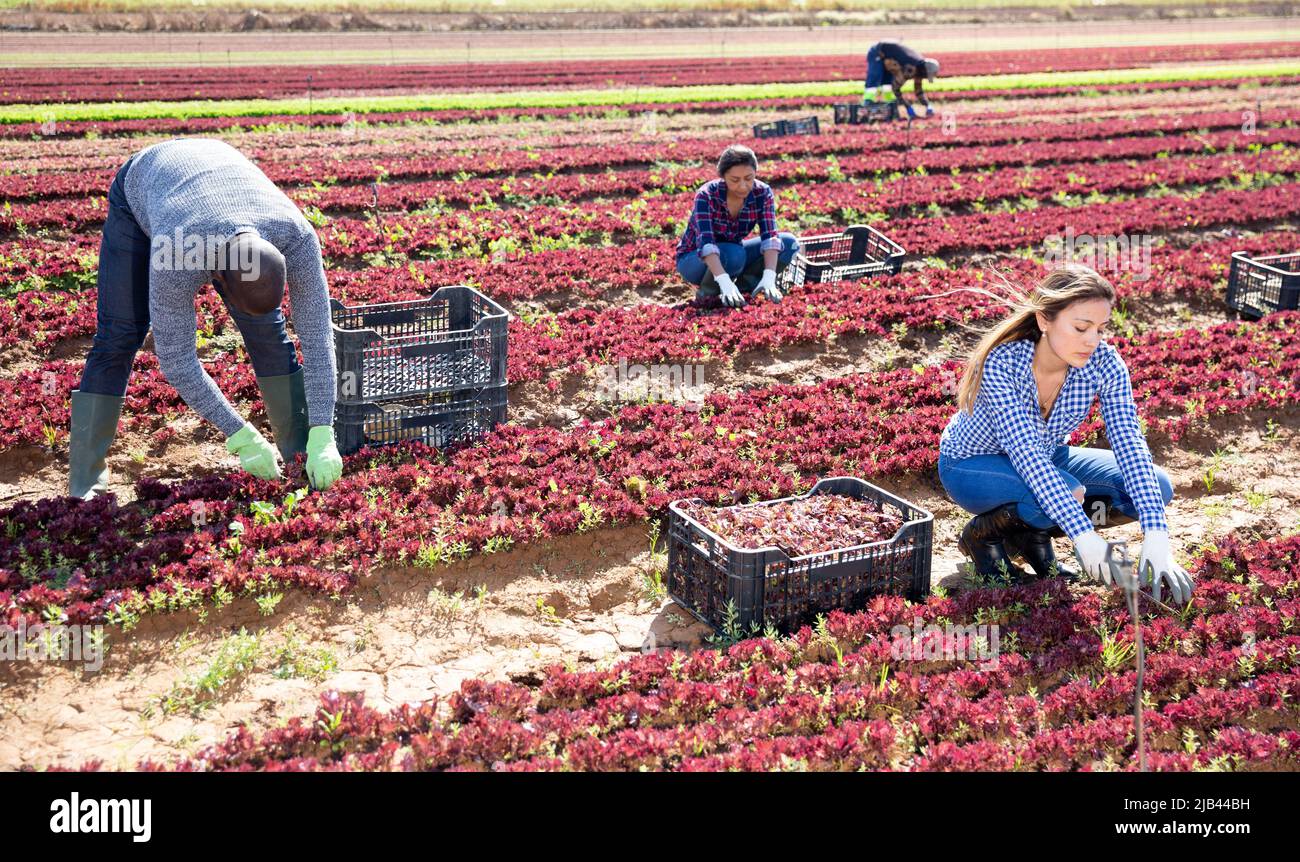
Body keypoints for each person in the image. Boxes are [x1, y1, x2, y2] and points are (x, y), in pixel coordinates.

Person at [68, 137, 343, 499]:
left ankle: (299, 454)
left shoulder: (296, 237)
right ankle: (85, 480)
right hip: (146, 184)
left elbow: (318, 339)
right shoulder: (177, 253)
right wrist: (240, 435)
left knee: (266, 330)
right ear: (218, 281)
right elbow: (177, 359)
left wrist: (323, 431)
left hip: (221, 170)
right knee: (120, 335)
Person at [936, 264, 1194, 605]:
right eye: (1081, 327)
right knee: (1068, 491)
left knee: (1155, 488)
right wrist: (1083, 535)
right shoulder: (1004, 362)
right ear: (1045, 321)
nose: (1092, 340)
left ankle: (1031, 537)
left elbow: (1128, 440)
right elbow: (1024, 452)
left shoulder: (1105, 363)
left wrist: (1157, 533)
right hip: (971, 464)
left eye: (1101, 329)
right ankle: (982, 538)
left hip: (1047, 455)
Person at [675, 145, 800, 308]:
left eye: (749, 178)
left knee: (789, 243)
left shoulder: (762, 193)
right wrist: (724, 281)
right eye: (735, 180)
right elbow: (706, 243)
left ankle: (744, 288)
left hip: (733, 254)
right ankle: (707, 294)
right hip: (693, 260)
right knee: (734, 253)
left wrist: (769, 276)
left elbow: (770, 237)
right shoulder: (706, 195)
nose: (743, 186)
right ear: (723, 177)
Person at [863, 40, 940, 120]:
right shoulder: (909, 68)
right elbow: (896, 89)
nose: (924, 78)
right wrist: (908, 107)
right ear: (924, 71)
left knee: (887, 84)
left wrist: (927, 105)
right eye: (926, 76)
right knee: (875, 76)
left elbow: (918, 90)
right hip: (878, 52)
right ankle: (867, 102)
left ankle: (891, 107)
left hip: (890, 61)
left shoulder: (920, 67)